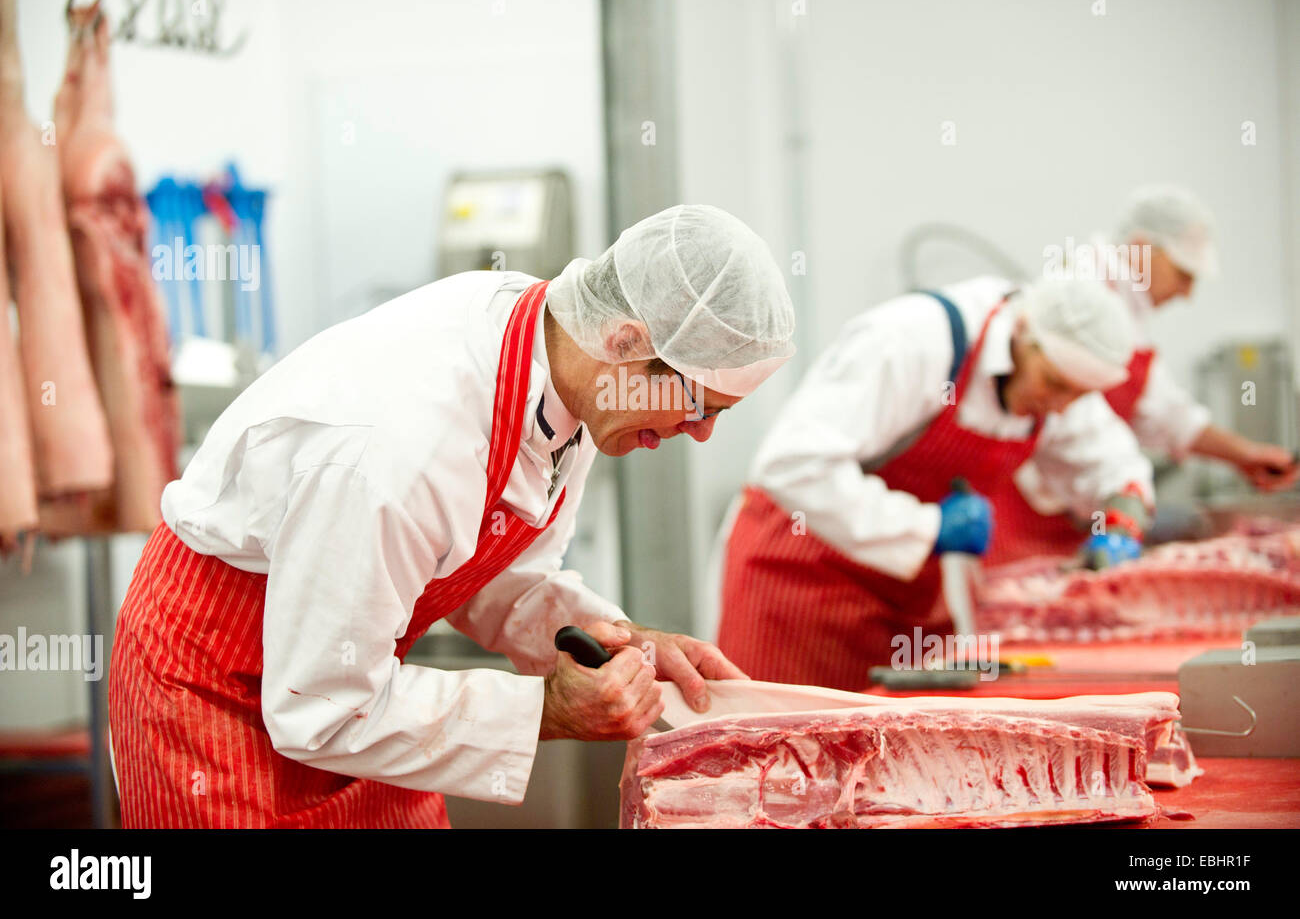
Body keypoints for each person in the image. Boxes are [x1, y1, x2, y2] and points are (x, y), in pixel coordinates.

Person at [108, 204, 796, 827]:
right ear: (623, 340)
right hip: (216, 690)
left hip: (360, 686)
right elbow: (318, 707)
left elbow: (495, 568)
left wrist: (611, 637)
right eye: (698, 404)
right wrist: (547, 710)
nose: (700, 433)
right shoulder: (403, 443)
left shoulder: (563, 367)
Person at [715, 275, 1152, 691]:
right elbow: (792, 462)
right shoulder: (914, 339)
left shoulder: (1057, 372)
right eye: (1054, 385)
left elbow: (1113, 465)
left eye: (1075, 395)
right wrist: (927, 527)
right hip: (799, 579)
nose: (1059, 407)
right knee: (781, 751)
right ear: (1022, 331)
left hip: (906, 595)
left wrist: (1120, 524)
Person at [1006, 185, 1299, 556]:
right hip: (1027, 513)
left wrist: (1246, 455)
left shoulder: (1127, 312)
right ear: (1142, 247)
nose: (1186, 292)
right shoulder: (1083, 297)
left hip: (1077, 514)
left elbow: (1169, 415)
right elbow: (1086, 427)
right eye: (1183, 273)